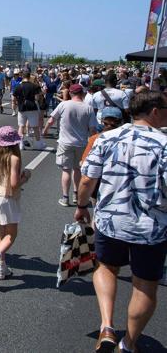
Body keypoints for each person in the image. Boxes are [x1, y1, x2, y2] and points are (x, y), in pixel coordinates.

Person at [77, 90, 167, 353]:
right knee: (145, 284)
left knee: (106, 267)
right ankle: (129, 342)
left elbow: (86, 179)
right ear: (154, 112)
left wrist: (82, 206)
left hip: (110, 221)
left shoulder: (106, 138)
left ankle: (106, 327)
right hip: (151, 227)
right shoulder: (164, 144)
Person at [0, 126, 31, 283]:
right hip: (7, 198)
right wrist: (26, 177)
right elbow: (14, 184)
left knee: (1, 232)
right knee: (11, 234)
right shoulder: (13, 158)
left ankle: (1, 268)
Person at [41, 83, 97, 207]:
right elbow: (93, 129)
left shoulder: (64, 104)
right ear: (82, 93)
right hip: (81, 143)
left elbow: (51, 120)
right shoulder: (88, 108)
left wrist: (44, 131)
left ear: (71, 93)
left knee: (66, 170)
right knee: (77, 170)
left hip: (65, 142)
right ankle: (76, 195)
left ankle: (65, 198)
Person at [13, 70, 45, 150]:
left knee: (21, 126)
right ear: (29, 76)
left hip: (21, 108)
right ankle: (38, 144)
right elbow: (38, 97)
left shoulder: (18, 86)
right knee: (35, 127)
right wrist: (39, 103)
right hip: (32, 108)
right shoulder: (34, 86)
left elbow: (14, 98)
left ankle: (20, 144)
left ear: (22, 76)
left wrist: (18, 104)